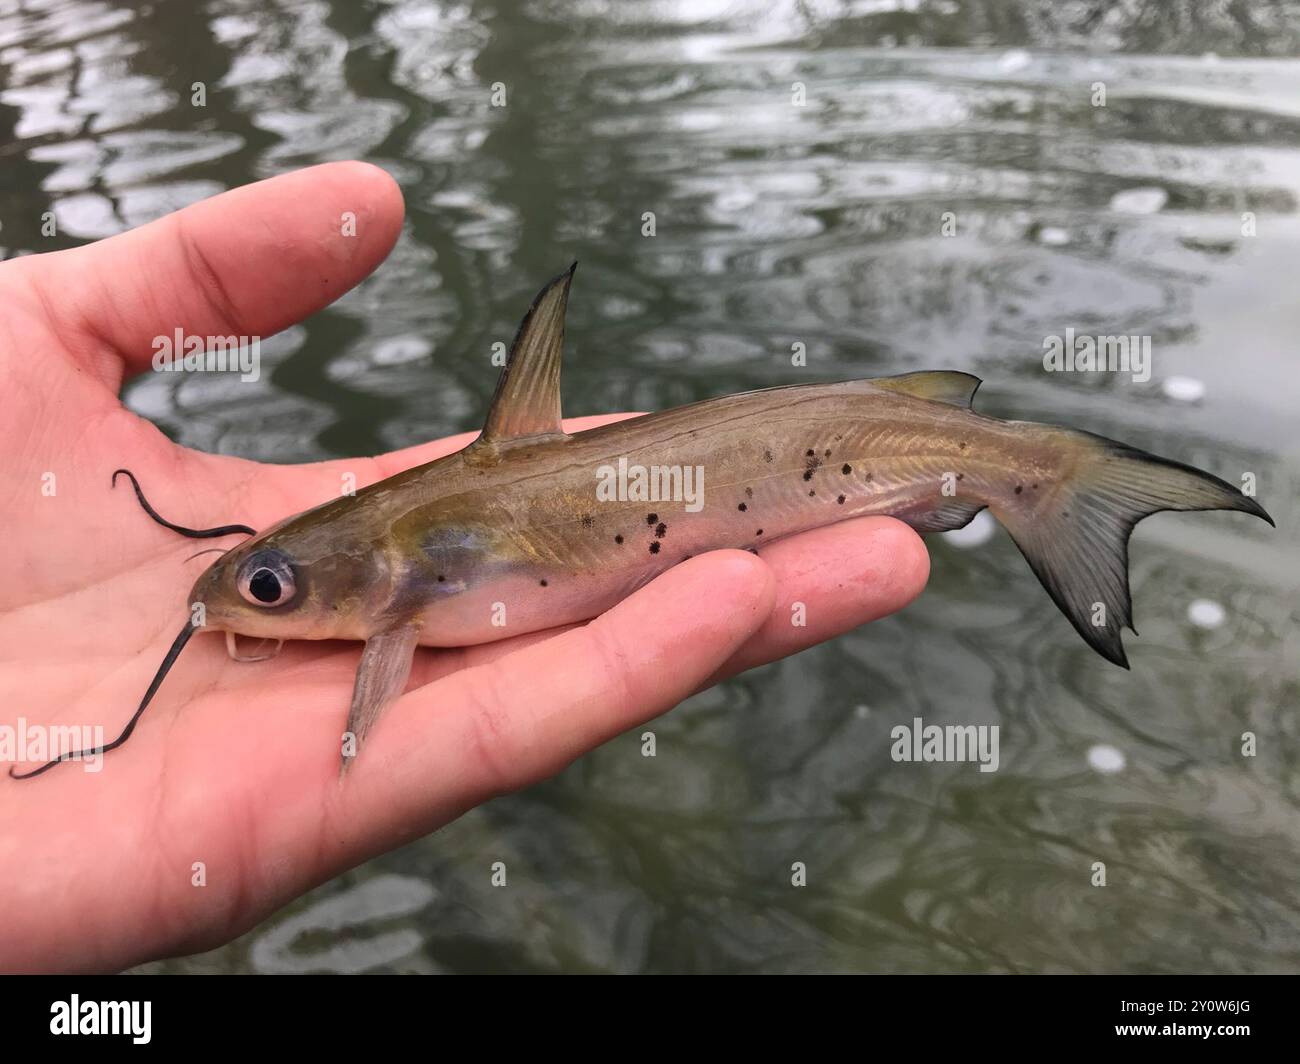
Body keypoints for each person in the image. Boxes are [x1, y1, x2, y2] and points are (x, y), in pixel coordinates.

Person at [0, 162, 929, 972]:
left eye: (268, 590)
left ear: (388, 581)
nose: (251, 608)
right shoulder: (381, 589)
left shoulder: (394, 602)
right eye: (267, 588)